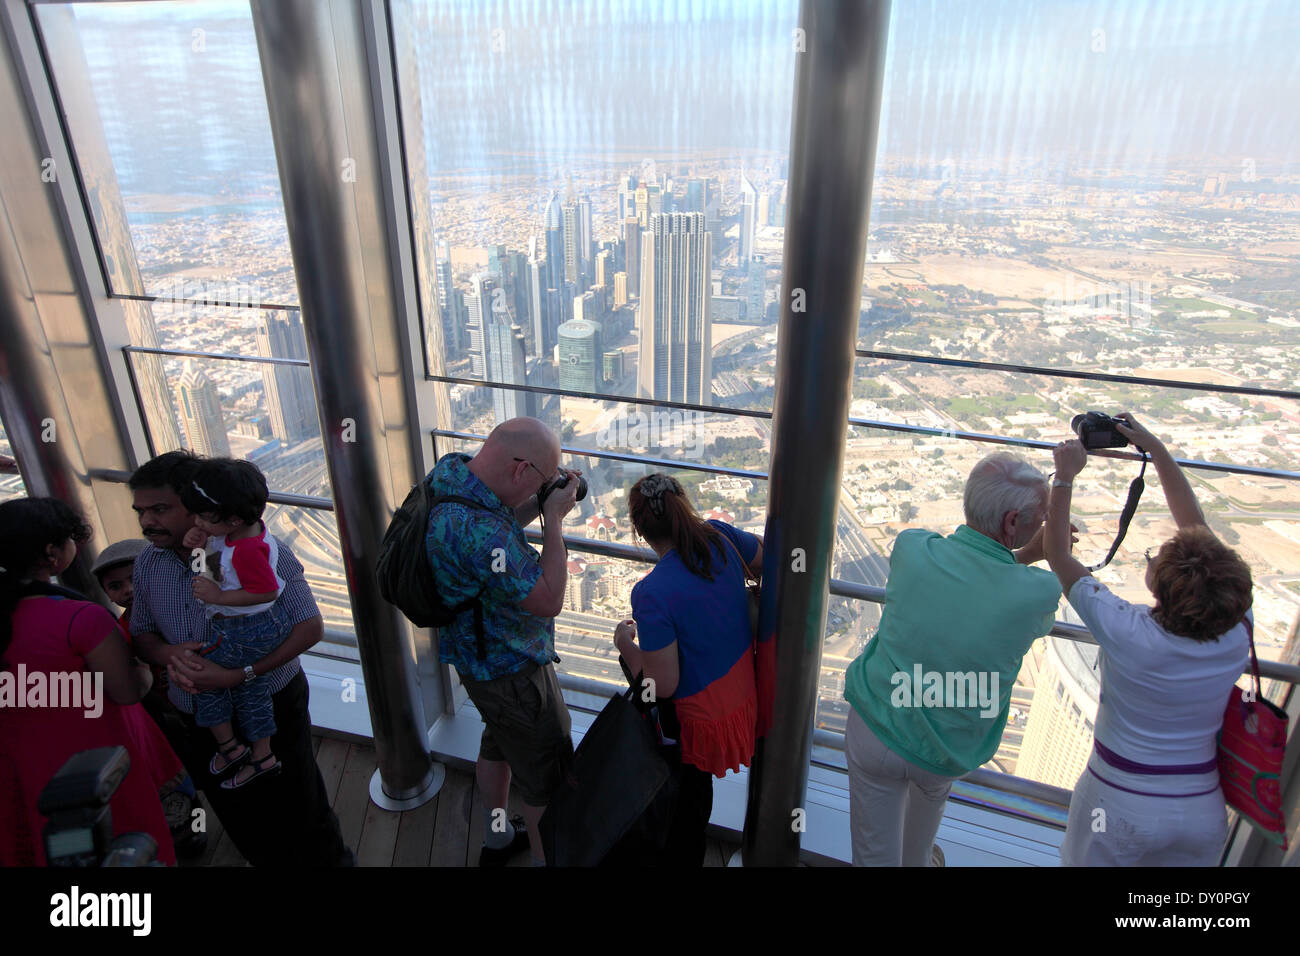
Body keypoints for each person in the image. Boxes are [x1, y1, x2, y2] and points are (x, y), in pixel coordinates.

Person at [127, 450, 352, 866]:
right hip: (197, 712)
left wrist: (240, 674)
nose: (147, 522)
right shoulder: (148, 564)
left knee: (301, 805)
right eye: (141, 511)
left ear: (199, 509)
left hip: (272, 699)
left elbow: (309, 628)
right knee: (237, 811)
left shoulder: (261, 553)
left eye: (160, 509)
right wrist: (169, 654)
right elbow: (141, 630)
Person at [1044, 415, 1251, 866]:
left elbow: (1058, 555)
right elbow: (1195, 527)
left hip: (1118, 800)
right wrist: (1156, 450)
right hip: (1202, 809)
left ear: (1161, 587)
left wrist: (1063, 479)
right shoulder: (1238, 627)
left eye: (1155, 557)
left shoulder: (1128, 631)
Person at [842, 452, 1064, 866]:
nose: (1046, 524)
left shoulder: (911, 547)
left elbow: (967, 581)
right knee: (920, 838)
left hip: (876, 725)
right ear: (1013, 522)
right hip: (944, 750)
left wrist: (1019, 555)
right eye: (1044, 516)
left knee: (874, 856)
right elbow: (995, 595)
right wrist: (1034, 555)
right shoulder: (1037, 591)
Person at [426, 417, 580, 866]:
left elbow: (497, 524)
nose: (547, 485)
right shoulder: (482, 534)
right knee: (545, 779)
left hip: (475, 663)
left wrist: (538, 498)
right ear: (519, 471)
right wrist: (553, 518)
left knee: (499, 744)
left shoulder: (452, 473)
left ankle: (496, 838)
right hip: (512, 674)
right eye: (544, 477)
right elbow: (548, 598)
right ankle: (548, 859)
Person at [0, 497, 183, 866]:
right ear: (52, 554)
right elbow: (127, 690)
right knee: (121, 840)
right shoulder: (81, 618)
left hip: (19, 766)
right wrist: (145, 668)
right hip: (92, 761)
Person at [613, 473, 763, 866]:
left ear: (639, 528)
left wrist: (625, 645)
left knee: (686, 811)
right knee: (694, 807)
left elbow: (661, 684)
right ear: (684, 506)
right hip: (744, 696)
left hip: (700, 722)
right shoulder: (720, 537)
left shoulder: (652, 592)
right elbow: (763, 559)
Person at [179, 458, 292, 790]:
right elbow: (216, 571)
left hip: (249, 629)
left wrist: (218, 597)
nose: (196, 521)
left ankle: (229, 747)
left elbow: (265, 590)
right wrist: (201, 545)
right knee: (251, 691)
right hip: (259, 627)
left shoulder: (245, 550)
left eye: (203, 516)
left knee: (201, 679)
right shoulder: (239, 534)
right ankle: (263, 756)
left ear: (233, 519)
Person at [93, 536, 205, 858]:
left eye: (133, 580)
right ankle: (193, 832)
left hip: (193, 703)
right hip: (164, 715)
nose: (127, 590)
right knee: (185, 777)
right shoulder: (119, 629)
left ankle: (193, 829)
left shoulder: (179, 611)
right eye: (116, 586)